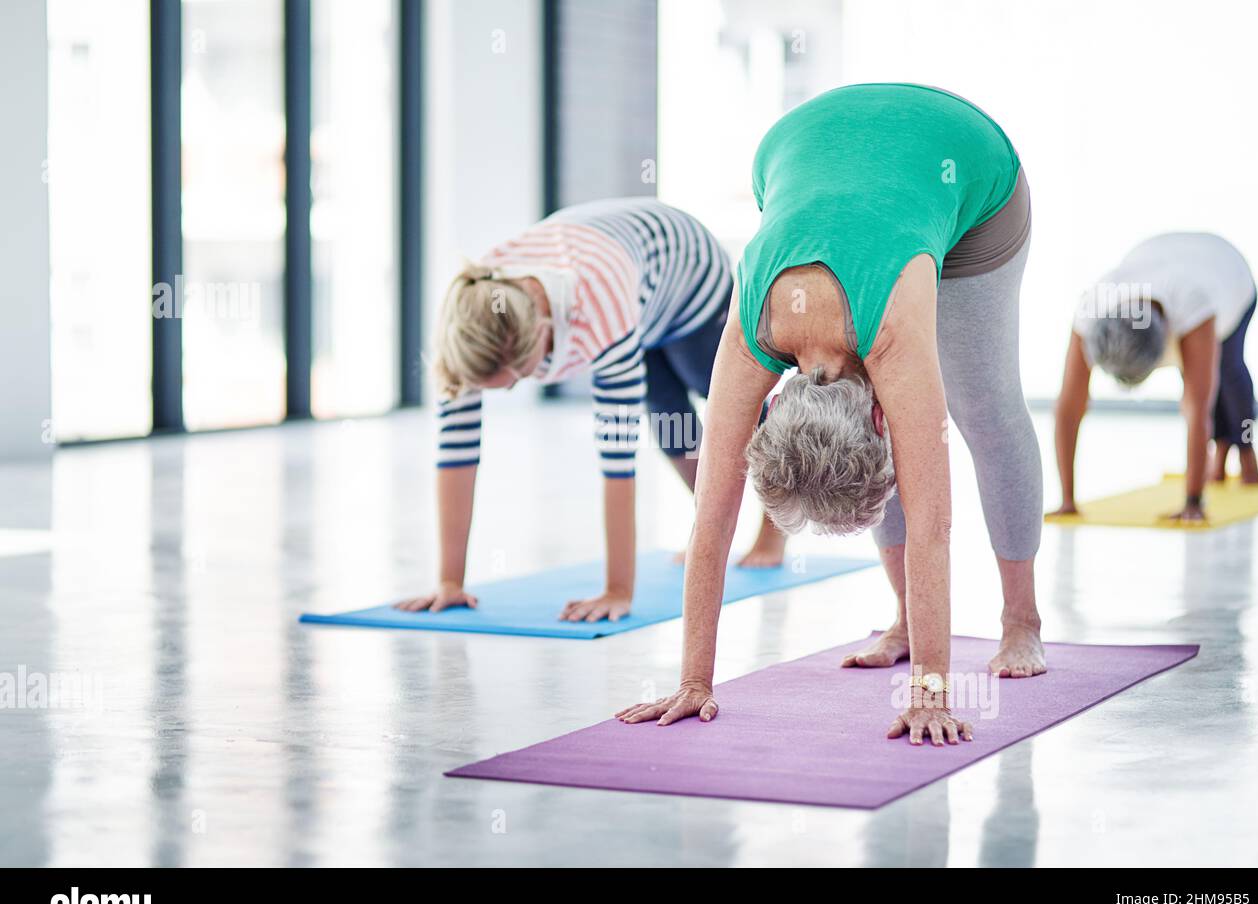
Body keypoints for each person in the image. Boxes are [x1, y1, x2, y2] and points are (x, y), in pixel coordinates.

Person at [616, 83, 1044, 747]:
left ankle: (1023, 619)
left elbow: (934, 521)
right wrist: (693, 680)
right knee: (912, 418)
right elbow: (712, 515)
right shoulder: (750, 328)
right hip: (799, 147)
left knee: (986, 407)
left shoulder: (893, 337)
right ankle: (905, 619)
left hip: (969, 160)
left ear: (879, 422)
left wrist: (932, 692)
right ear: (773, 407)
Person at [399, 197, 785, 623]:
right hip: (630, 275)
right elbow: (456, 452)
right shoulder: (470, 326)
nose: (507, 390)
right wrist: (450, 582)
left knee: (721, 396)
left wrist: (617, 590)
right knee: (666, 412)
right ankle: (716, 529)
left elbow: (617, 458)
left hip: (686, 269)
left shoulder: (596, 314)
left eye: (516, 379)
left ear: (544, 336)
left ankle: (774, 527)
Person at [1054, 233, 1258, 523]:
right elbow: (1069, 405)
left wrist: (1193, 502)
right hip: (1162, 254)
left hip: (1230, 273)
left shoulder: (1193, 306)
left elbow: (1197, 407)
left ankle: (1248, 453)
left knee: (1231, 374)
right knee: (1208, 385)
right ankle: (1220, 456)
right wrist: (1067, 500)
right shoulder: (1092, 308)